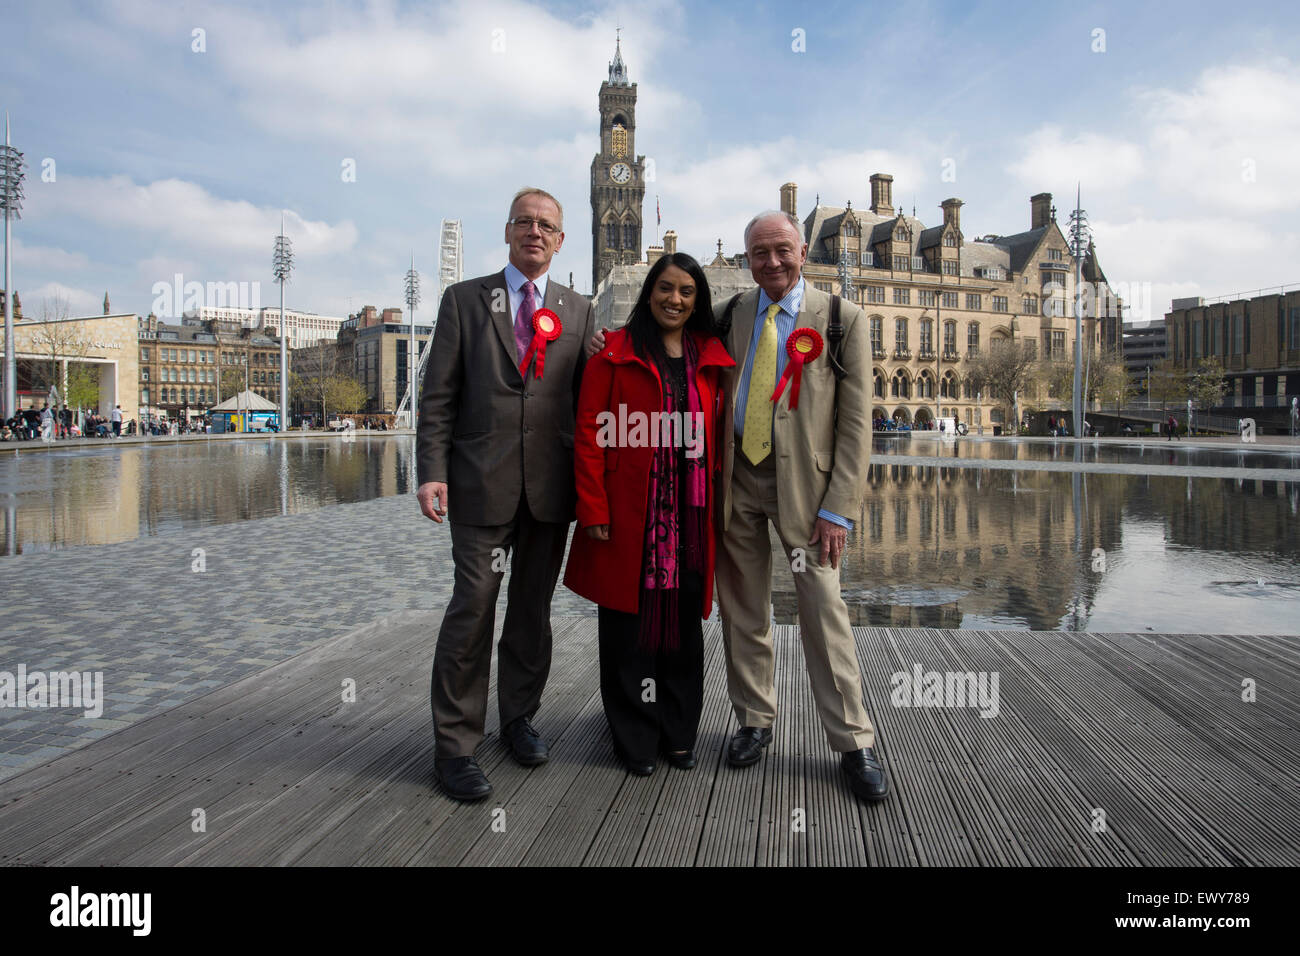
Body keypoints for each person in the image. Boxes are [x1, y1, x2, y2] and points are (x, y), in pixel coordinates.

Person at [588, 211, 887, 802]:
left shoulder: (842, 320)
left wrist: (839, 509)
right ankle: (755, 721)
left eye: (781, 250)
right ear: (747, 259)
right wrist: (608, 340)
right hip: (733, 483)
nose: (771, 262)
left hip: (806, 489)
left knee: (824, 610)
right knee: (742, 610)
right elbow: (668, 339)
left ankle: (854, 741)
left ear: (802, 251)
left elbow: (856, 427)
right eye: (759, 253)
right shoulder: (732, 315)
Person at [416, 187, 595, 802]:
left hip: (550, 491)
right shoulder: (465, 301)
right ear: (509, 231)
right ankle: (456, 747)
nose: (535, 233)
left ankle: (518, 719)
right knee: (473, 609)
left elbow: (588, 402)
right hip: (478, 486)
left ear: (561, 239)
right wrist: (430, 471)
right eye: (525, 222)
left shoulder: (580, 309)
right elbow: (438, 395)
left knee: (531, 614)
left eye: (547, 225)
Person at [564, 253, 734, 775]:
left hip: (691, 519)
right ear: (649, 293)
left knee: (682, 631)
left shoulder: (709, 355)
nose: (675, 299)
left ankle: (679, 734)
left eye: (686, 291)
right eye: (665, 288)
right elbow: (590, 434)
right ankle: (635, 738)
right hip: (630, 516)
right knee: (628, 633)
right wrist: (593, 506)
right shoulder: (612, 353)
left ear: (697, 299)